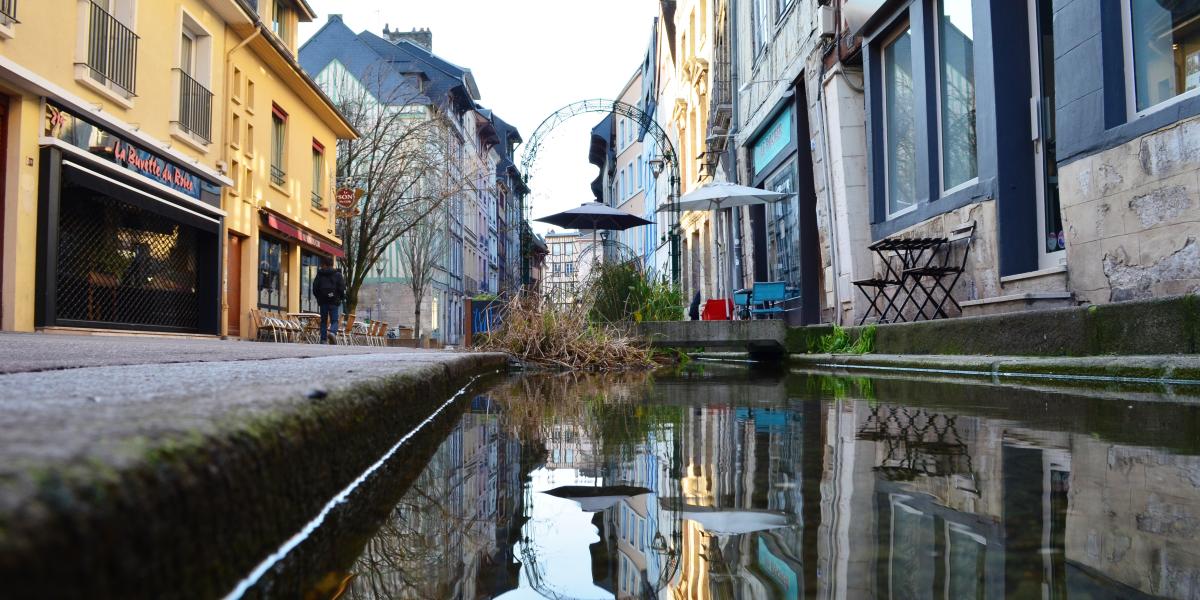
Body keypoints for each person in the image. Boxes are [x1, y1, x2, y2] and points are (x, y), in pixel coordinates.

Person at [311, 257, 345, 344]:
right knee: (334, 320)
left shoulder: (319, 274)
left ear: (324, 264)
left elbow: (315, 288)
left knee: (323, 321)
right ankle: (333, 332)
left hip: (323, 301)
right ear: (332, 264)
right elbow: (342, 288)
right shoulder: (337, 274)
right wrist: (340, 298)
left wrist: (319, 297)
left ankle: (323, 339)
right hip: (334, 301)